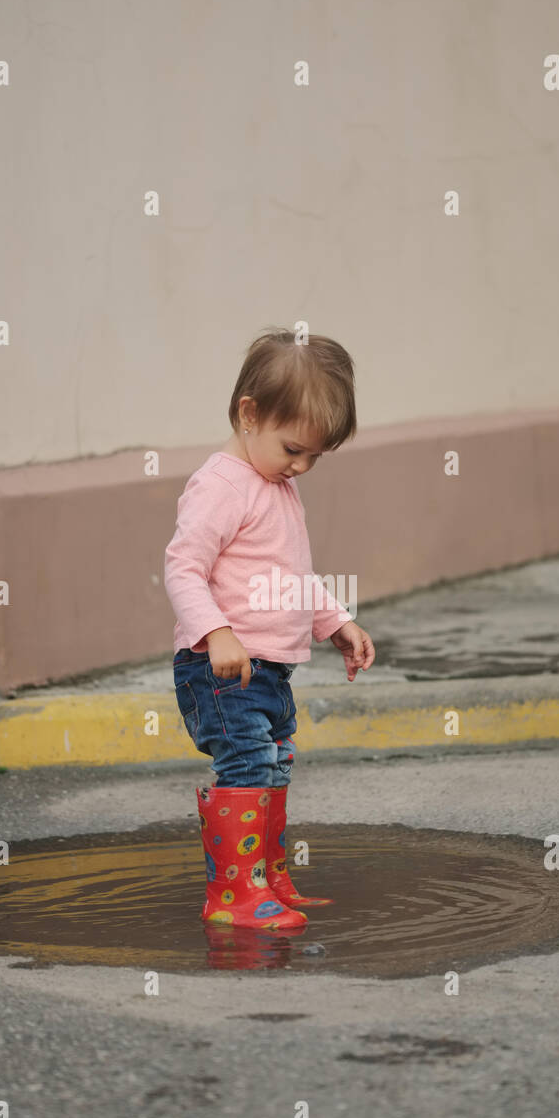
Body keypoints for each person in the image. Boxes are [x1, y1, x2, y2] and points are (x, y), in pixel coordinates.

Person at [164, 327, 376, 931]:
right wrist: (216, 633)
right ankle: (233, 895)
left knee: (275, 763)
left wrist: (336, 622)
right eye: (293, 449)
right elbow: (182, 567)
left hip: (270, 668)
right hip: (222, 667)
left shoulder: (273, 482)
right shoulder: (221, 485)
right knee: (248, 766)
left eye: (314, 456)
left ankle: (267, 878)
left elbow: (292, 574)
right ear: (248, 414)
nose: (302, 466)